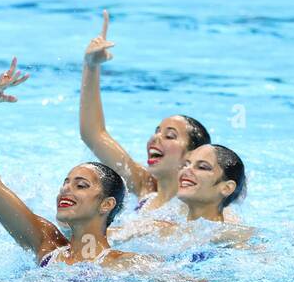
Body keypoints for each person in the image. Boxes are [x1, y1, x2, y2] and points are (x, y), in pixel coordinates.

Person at [0, 58, 152, 270]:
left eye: (81, 185)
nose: (66, 189)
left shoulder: (126, 264)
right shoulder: (47, 245)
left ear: (106, 204)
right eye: (66, 183)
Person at [79, 11, 212, 217]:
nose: (155, 138)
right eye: (157, 132)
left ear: (192, 155)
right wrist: (91, 66)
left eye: (170, 136)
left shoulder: (201, 205)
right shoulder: (145, 186)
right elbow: (93, 134)